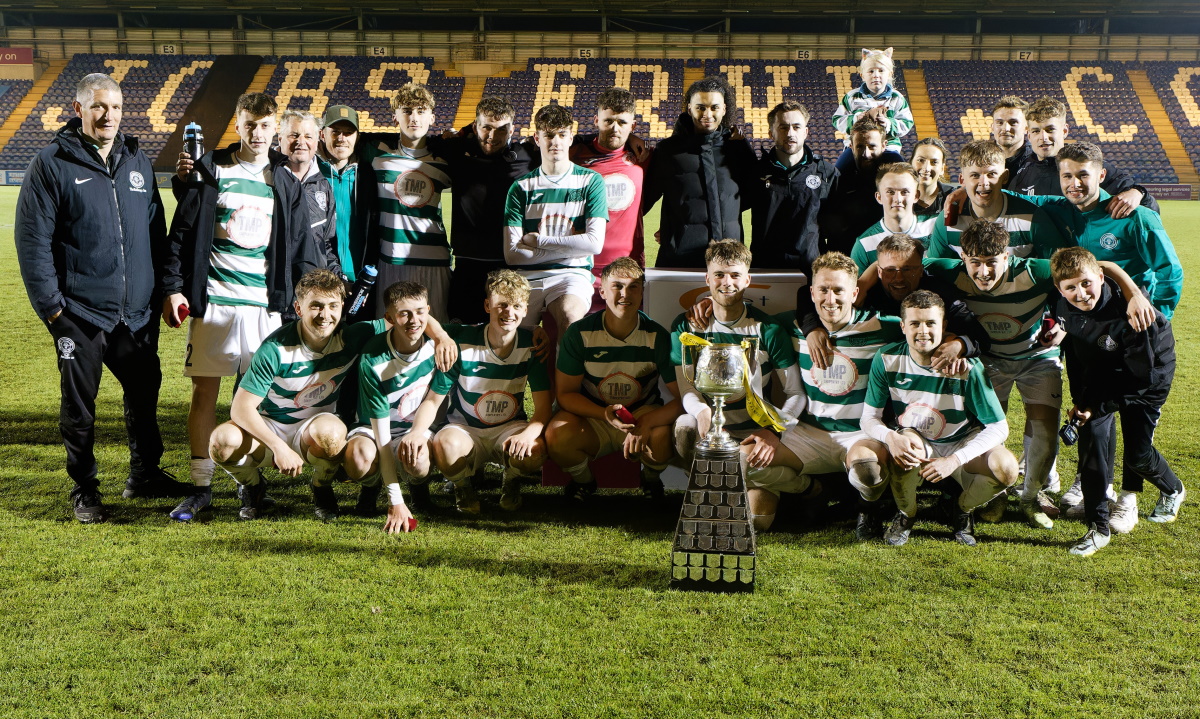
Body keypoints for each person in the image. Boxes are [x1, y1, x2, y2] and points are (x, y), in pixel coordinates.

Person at [15, 73, 187, 523]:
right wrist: (53, 309)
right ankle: (85, 487)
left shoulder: (137, 161)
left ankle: (144, 473)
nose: (107, 115)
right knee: (79, 406)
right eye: (97, 106)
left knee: (145, 393)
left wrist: (166, 291)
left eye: (114, 106)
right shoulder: (51, 163)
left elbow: (156, 234)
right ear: (78, 110)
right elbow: (33, 241)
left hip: (135, 314)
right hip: (80, 313)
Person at [922, 221, 1150, 530]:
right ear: (963, 257)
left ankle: (1029, 497)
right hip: (989, 360)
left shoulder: (1035, 271)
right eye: (975, 262)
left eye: (992, 262)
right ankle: (996, 492)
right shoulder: (948, 270)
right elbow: (901, 264)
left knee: (1044, 433)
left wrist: (1134, 293)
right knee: (985, 431)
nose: (984, 271)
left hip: (1036, 358)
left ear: (1007, 256)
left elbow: (1100, 265)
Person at [163, 91, 322, 522]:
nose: (257, 133)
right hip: (215, 304)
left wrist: (305, 304)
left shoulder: (284, 179)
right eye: (250, 124)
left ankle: (248, 485)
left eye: (265, 126)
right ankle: (200, 487)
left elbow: (301, 247)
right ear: (238, 123)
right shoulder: (211, 168)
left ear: (275, 130)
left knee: (254, 399)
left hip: (264, 310)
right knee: (204, 395)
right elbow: (182, 233)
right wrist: (173, 288)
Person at [207, 270, 388, 521]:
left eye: (333, 306)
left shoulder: (351, 337)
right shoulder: (275, 348)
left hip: (314, 428)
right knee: (221, 442)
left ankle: (321, 488)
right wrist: (279, 447)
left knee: (331, 434)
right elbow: (240, 409)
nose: (325, 315)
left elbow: (404, 319)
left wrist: (443, 336)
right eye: (316, 306)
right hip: (271, 427)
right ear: (298, 308)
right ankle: (252, 486)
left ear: (342, 306)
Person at [1050, 248, 1184, 556]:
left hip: (1148, 377)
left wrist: (1096, 405)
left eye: (1086, 283)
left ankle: (1172, 488)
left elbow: (1138, 375)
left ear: (1100, 277)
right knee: (1091, 441)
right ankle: (1098, 528)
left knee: (1138, 456)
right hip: (1102, 373)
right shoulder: (1062, 305)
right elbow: (1078, 354)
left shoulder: (1134, 313)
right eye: (1070, 287)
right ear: (1059, 289)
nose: (1080, 293)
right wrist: (1082, 401)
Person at [861, 290, 1019, 546]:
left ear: (944, 325)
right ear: (902, 326)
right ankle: (906, 515)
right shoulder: (887, 359)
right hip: (918, 440)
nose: (923, 331)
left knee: (1007, 468)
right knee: (904, 446)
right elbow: (868, 418)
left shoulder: (967, 367)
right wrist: (890, 437)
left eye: (930, 323)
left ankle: (962, 510)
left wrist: (955, 459)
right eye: (914, 323)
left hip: (960, 442)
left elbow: (999, 427)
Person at [671, 241, 808, 531]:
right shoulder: (686, 328)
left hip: (751, 434)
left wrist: (773, 432)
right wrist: (702, 413)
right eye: (719, 275)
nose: (727, 282)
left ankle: (807, 487)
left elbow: (795, 394)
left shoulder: (768, 330)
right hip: (711, 430)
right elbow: (688, 389)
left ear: (747, 280)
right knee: (684, 426)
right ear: (707, 279)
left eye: (735, 275)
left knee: (759, 521)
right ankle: (709, 491)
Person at [776, 253, 903, 538]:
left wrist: (960, 344)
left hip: (861, 433)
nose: (830, 299)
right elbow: (745, 320)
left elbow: (927, 328)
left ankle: (867, 509)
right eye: (823, 289)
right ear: (811, 293)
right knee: (747, 460)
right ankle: (812, 491)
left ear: (855, 293)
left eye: (838, 290)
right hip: (809, 433)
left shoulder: (885, 327)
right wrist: (709, 304)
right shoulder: (791, 325)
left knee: (868, 470)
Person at [405, 270, 551, 514]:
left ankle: (511, 479)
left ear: (526, 310)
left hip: (508, 427)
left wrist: (527, 436)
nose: (509, 312)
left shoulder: (532, 346)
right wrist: (418, 432)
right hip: (465, 428)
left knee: (535, 450)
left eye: (516, 306)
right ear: (487, 305)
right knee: (444, 444)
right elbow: (433, 399)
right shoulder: (462, 342)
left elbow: (544, 407)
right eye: (501, 305)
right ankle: (463, 486)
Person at [547, 258, 681, 502]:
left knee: (662, 438)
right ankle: (584, 481)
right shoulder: (579, 334)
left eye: (633, 287)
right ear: (602, 291)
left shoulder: (657, 336)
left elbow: (683, 397)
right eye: (617, 286)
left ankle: (651, 479)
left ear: (642, 291)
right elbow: (565, 394)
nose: (624, 294)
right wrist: (603, 414)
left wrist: (648, 422)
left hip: (641, 413)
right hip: (594, 414)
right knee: (557, 435)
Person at [1033, 142, 1182, 321]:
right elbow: (1012, 198)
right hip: (1081, 321)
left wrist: (1158, 315)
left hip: (1131, 318)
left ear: (1101, 175)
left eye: (1083, 175)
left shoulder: (1137, 217)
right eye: (1067, 176)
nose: (1075, 183)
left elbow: (1170, 270)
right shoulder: (1057, 208)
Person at [427, 96, 540, 324]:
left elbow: (569, 143)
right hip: (467, 261)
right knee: (462, 328)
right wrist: (455, 135)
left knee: (505, 328)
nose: (492, 136)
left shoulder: (528, 156)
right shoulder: (457, 150)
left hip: (509, 260)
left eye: (501, 129)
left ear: (512, 130)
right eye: (486, 127)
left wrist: (631, 139)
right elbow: (419, 143)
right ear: (475, 126)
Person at [342, 281, 441, 531]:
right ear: (389, 317)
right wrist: (395, 500)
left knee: (417, 459)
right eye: (404, 313)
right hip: (375, 428)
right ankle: (370, 486)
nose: (414, 320)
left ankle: (419, 490)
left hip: (415, 427)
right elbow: (383, 438)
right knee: (358, 458)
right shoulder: (372, 359)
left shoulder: (441, 347)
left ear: (429, 311)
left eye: (420, 312)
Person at [503, 103, 608, 333]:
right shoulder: (520, 188)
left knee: (569, 318)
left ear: (571, 137)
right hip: (527, 278)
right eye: (549, 135)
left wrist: (539, 242)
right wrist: (572, 248)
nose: (555, 142)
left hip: (572, 275)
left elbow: (594, 244)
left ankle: (566, 370)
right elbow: (512, 255)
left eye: (562, 134)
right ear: (537, 138)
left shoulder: (591, 182)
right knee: (512, 334)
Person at [358, 83, 452, 322]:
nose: (414, 117)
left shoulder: (446, 160)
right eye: (407, 110)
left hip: (435, 262)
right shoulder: (376, 155)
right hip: (390, 260)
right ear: (395, 117)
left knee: (434, 336)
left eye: (421, 111)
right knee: (390, 334)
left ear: (432, 117)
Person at [644, 75, 757, 268]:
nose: (708, 113)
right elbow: (644, 199)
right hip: (680, 259)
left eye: (714, 107)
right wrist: (677, 230)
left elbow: (751, 196)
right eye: (700, 107)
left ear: (724, 109)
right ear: (689, 108)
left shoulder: (737, 149)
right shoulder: (668, 151)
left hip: (729, 261)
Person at [570, 87, 651, 309]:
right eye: (608, 121)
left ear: (633, 126)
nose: (614, 128)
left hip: (629, 269)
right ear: (596, 120)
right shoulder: (573, 155)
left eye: (623, 123)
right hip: (581, 267)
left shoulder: (643, 157)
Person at [1013, 96, 1157, 216]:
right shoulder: (1023, 170)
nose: (1043, 137)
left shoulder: (1086, 163)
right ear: (1028, 133)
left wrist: (1139, 193)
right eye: (1036, 131)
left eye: (1050, 129)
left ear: (1064, 130)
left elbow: (1148, 206)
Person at [925, 140, 1066, 259]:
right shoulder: (949, 219)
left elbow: (1060, 269)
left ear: (1004, 177)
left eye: (991, 174)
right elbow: (934, 269)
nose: (984, 182)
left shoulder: (1032, 217)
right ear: (962, 179)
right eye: (974, 175)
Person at [748, 100, 838, 272]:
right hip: (765, 268)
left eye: (796, 127)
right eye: (783, 127)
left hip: (812, 270)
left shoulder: (827, 173)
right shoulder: (755, 172)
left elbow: (837, 227)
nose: (790, 133)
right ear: (771, 132)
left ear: (806, 132)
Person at [831, 47, 912, 174]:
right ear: (862, 75)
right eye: (871, 71)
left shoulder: (897, 98)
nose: (876, 75)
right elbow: (837, 120)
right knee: (840, 171)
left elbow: (907, 123)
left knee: (899, 173)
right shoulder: (852, 96)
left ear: (890, 74)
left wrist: (888, 124)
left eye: (881, 70)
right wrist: (856, 119)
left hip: (889, 146)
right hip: (855, 148)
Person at [279, 110, 341, 273]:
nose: (301, 142)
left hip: (311, 285)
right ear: (280, 139)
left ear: (317, 141)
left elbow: (326, 245)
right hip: (274, 282)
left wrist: (337, 275)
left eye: (308, 136)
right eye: (294, 135)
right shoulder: (268, 179)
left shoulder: (324, 187)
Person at [817, 115, 888, 255]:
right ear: (851, 147)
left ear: (884, 145)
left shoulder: (894, 179)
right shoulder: (838, 180)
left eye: (872, 147)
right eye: (860, 146)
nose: (866, 154)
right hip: (846, 258)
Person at [850, 162, 936, 272]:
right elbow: (857, 287)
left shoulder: (935, 227)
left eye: (904, 192)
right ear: (879, 197)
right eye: (890, 192)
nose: (898, 199)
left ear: (916, 196)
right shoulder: (865, 244)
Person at [317, 104, 369, 282]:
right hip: (321, 276)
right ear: (322, 134)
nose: (341, 138)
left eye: (348, 133)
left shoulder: (367, 175)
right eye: (335, 131)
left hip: (361, 276)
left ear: (357, 137)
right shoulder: (309, 172)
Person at [909, 137, 956, 221]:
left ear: (942, 168)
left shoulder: (954, 197)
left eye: (934, 162)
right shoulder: (900, 197)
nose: (926, 168)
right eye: (920, 160)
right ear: (910, 163)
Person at [990, 95, 1034, 183]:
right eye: (999, 122)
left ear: (1027, 128)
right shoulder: (979, 158)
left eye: (1013, 122)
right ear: (992, 127)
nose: (1006, 128)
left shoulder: (1037, 160)